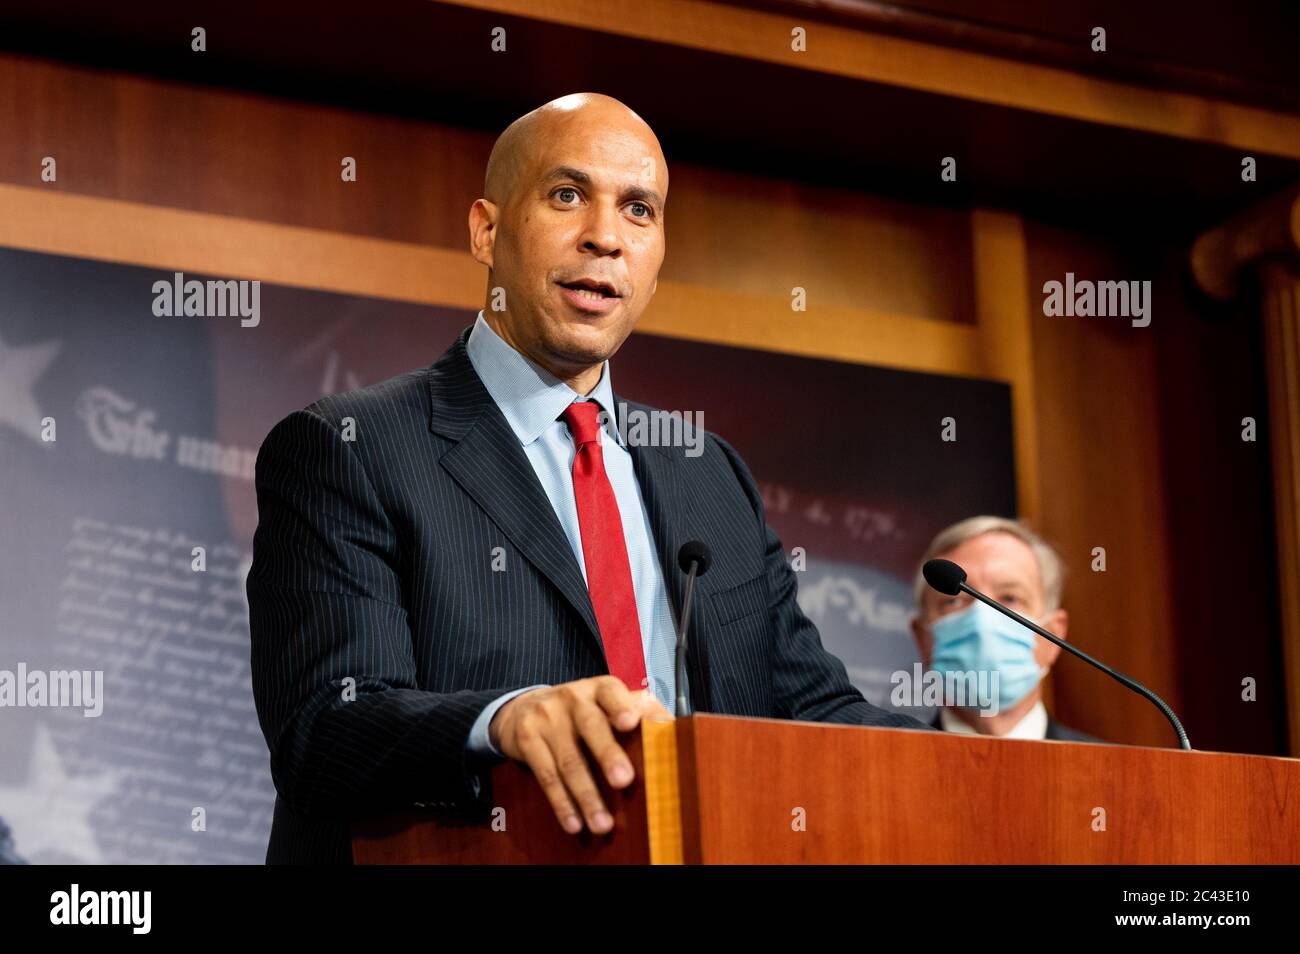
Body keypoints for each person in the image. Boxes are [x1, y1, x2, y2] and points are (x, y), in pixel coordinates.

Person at [247, 92, 931, 864]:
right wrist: (502, 721)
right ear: (487, 229)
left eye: (639, 209)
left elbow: (808, 709)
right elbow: (322, 732)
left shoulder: (708, 472)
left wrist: (975, 764)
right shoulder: (350, 448)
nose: (605, 237)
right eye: (567, 195)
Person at [909, 516, 1100, 742]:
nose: (982, 622)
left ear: (1053, 636)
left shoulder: (1114, 771)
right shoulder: (882, 768)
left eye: (1010, 598)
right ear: (922, 637)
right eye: (954, 601)